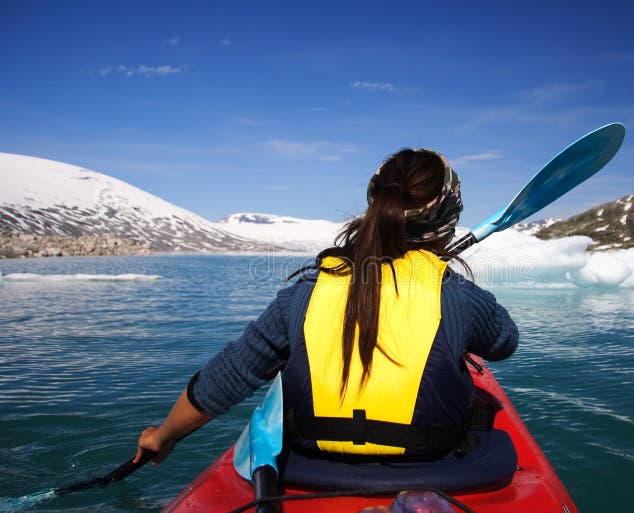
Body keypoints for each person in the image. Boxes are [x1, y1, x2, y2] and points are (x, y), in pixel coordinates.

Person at [135, 148, 518, 467]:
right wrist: (444, 276)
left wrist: (163, 436)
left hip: (311, 466)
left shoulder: (305, 291)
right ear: (447, 219)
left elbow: (229, 374)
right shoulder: (457, 296)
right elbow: (504, 342)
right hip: (433, 465)